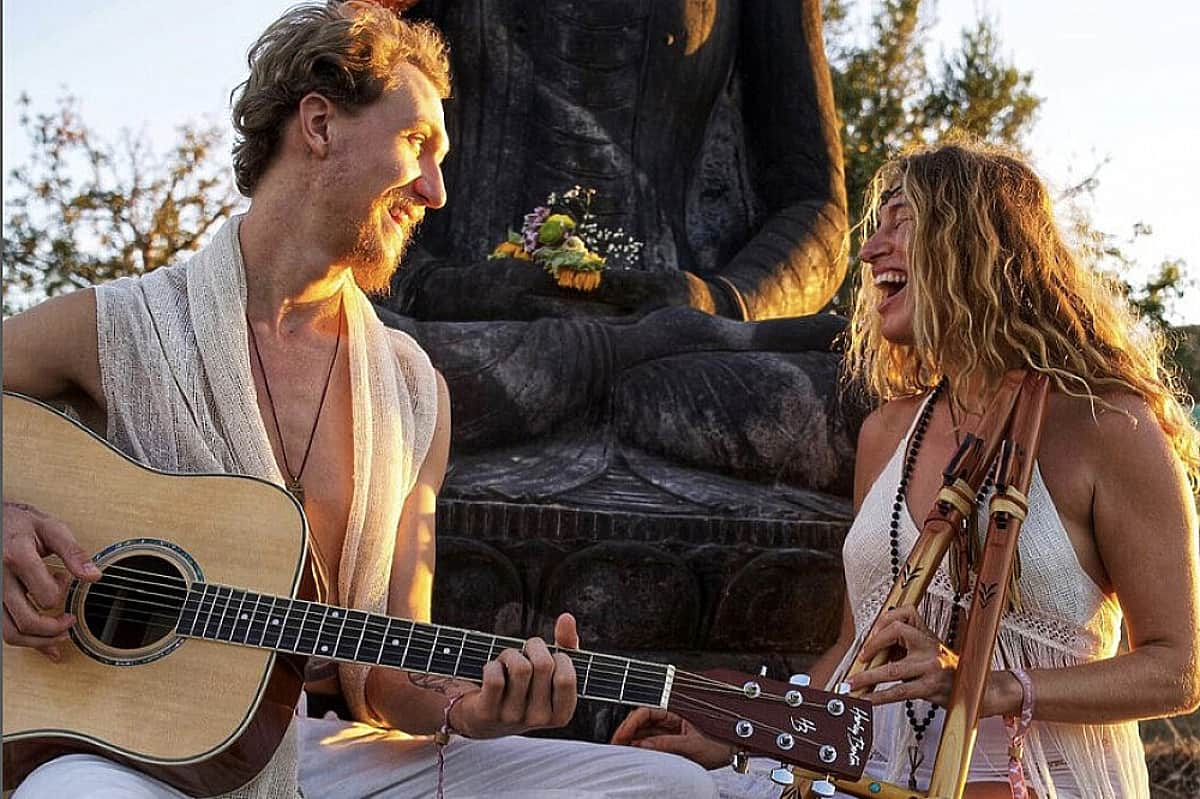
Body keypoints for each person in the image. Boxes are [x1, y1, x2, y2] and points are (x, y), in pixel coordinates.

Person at [0, 3, 717, 798]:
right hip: (120, 749)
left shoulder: (414, 393)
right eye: (418, 144)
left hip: (321, 749)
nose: (437, 192)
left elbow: (387, 670)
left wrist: (470, 707)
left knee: (665, 787)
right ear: (319, 123)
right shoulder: (124, 328)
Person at [612, 141, 1200, 798]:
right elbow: (855, 655)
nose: (868, 252)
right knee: (649, 780)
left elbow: (1177, 670)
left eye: (902, 224)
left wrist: (988, 685)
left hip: (1036, 783)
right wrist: (743, 732)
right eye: (876, 228)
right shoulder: (886, 431)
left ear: (978, 245)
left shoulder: (1108, 425)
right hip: (873, 782)